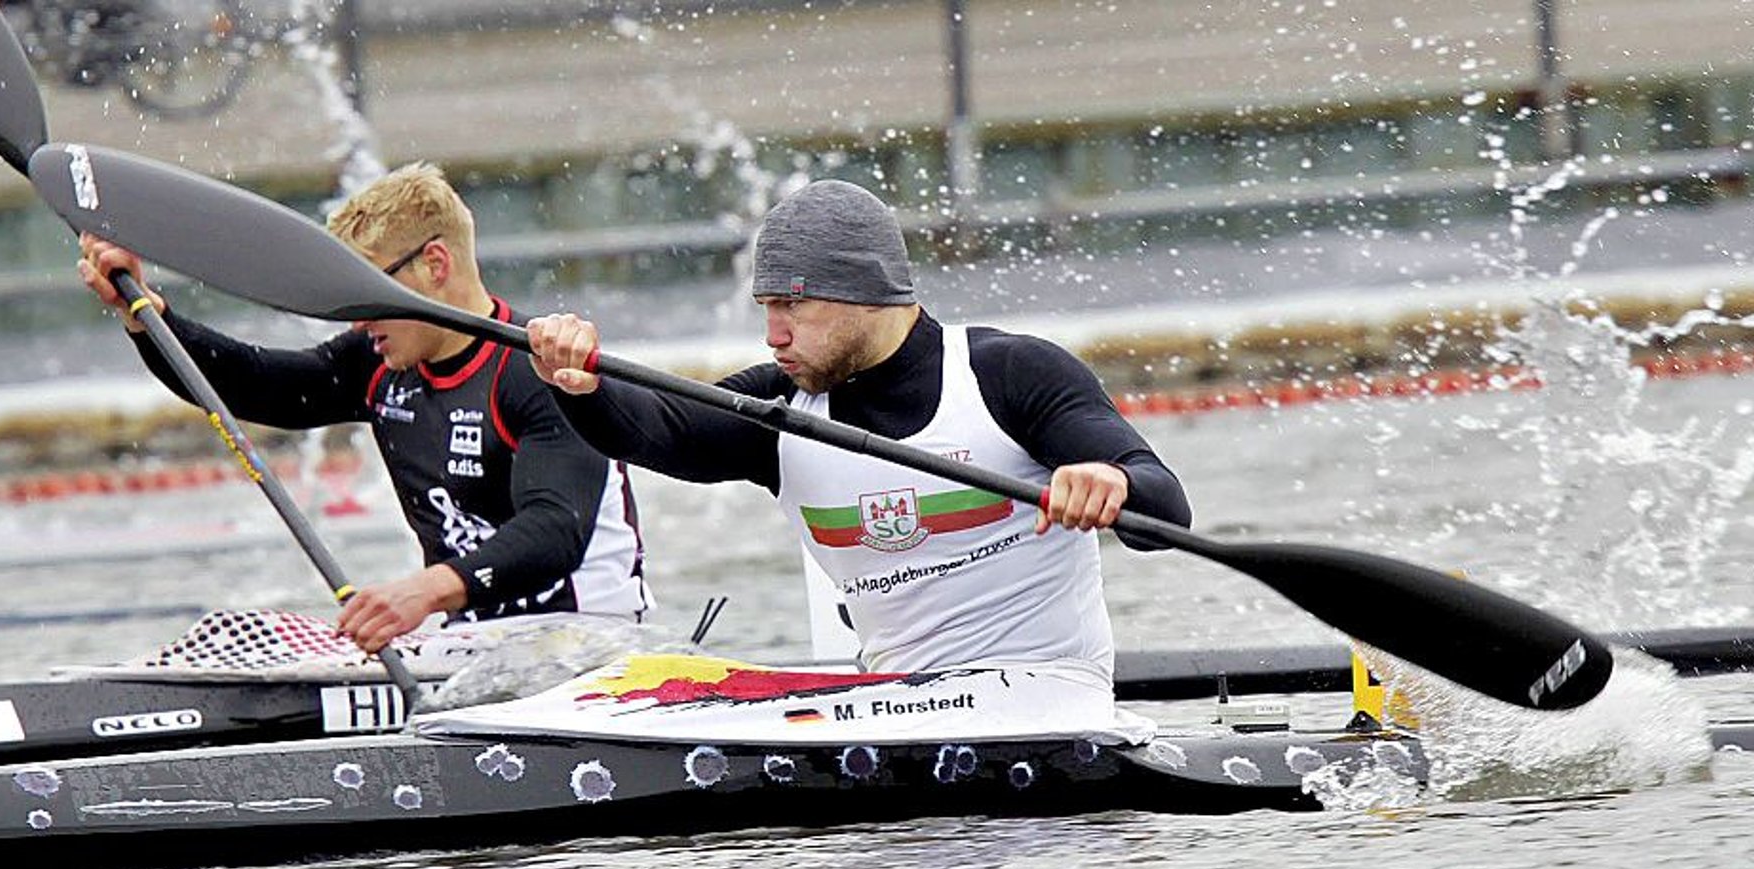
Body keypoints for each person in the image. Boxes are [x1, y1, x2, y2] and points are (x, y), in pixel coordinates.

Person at [525, 179, 1189, 710]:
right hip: (896, 711)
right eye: (765, 306)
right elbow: (657, 428)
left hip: (1052, 701)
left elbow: (1165, 508)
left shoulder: (1011, 375)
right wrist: (579, 384)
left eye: (792, 304)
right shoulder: (780, 410)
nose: (773, 335)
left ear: (865, 294)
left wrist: (1115, 484)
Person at [78, 162, 653, 655]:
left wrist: (424, 591)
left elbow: (556, 529)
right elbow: (259, 385)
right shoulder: (378, 363)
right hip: (470, 647)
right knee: (233, 634)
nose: (357, 318)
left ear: (435, 264)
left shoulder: (541, 369)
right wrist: (148, 317)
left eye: (369, 289)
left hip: (581, 646)